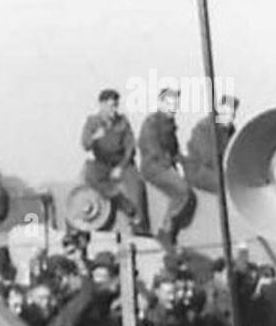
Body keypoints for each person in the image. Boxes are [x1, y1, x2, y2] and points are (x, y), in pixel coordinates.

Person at [80, 87, 150, 232]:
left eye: (116, 106)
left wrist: (121, 167)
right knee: (89, 174)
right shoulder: (92, 122)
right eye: (111, 106)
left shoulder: (122, 122)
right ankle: (118, 199)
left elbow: (130, 147)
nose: (114, 109)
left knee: (135, 184)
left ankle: (139, 223)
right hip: (102, 163)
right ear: (102, 105)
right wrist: (94, 138)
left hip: (121, 163)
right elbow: (85, 144)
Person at [138, 86, 195, 247]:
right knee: (182, 190)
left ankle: (169, 229)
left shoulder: (170, 125)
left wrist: (186, 163)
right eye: (170, 103)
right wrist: (171, 167)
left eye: (175, 103)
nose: (173, 107)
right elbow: (152, 147)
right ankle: (165, 229)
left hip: (164, 165)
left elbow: (174, 150)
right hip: (153, 167)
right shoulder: (152, 122)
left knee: (182, 190)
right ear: (161, 103)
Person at [185, 94, 240, 194]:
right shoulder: (204, 128)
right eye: (224, 113)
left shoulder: (230, 131)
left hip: (217, 171)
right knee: (228, 187)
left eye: (231, 114)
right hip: (200, 171)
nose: (227, 117)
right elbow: (208, 157)